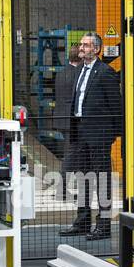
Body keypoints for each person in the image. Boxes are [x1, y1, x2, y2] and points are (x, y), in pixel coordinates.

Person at [54, 32, 121, 240]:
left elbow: (116, 104)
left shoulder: (105, 72)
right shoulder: (80, 71)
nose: (81, 47)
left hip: (99, 134)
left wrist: (115, 134)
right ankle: (82, 222)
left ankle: (103, 226)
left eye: (86, 45)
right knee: (83, 178)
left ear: (96, 49)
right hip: (79, 130)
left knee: (102, 180)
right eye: (81, 44)